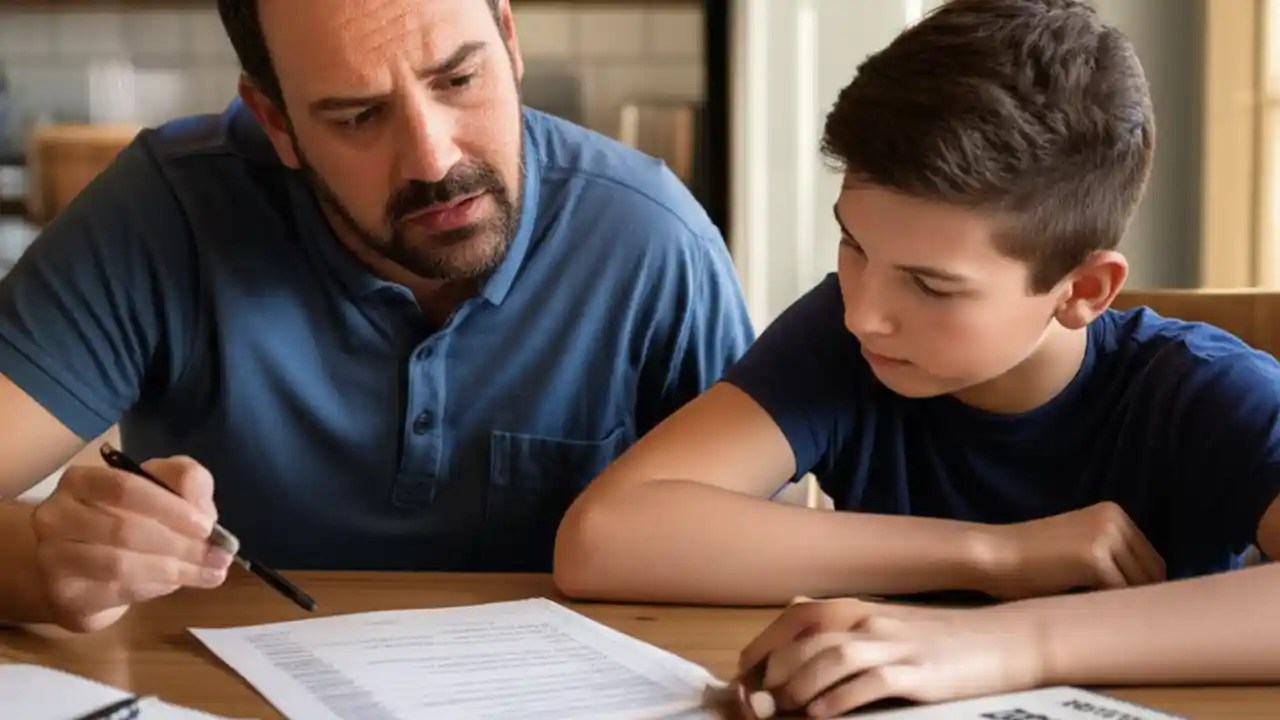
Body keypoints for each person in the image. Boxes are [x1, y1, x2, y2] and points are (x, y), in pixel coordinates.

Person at [554, 0, 1280, 715]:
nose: (864, 310)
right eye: (854, 245)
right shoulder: (841, 343)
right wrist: (995, 554)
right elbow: (605, 538)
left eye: (931, 286)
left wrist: (1003, 645)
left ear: (1081, 290)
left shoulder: (1202, 389)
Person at [0, 0, 752, 634]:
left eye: (459, 79)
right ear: (277, 122)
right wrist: (42, 559)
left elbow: (751, 575)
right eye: (358, 116)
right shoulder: (164, 214)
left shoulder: (652, 239)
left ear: (509, 40)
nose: (431, 159)